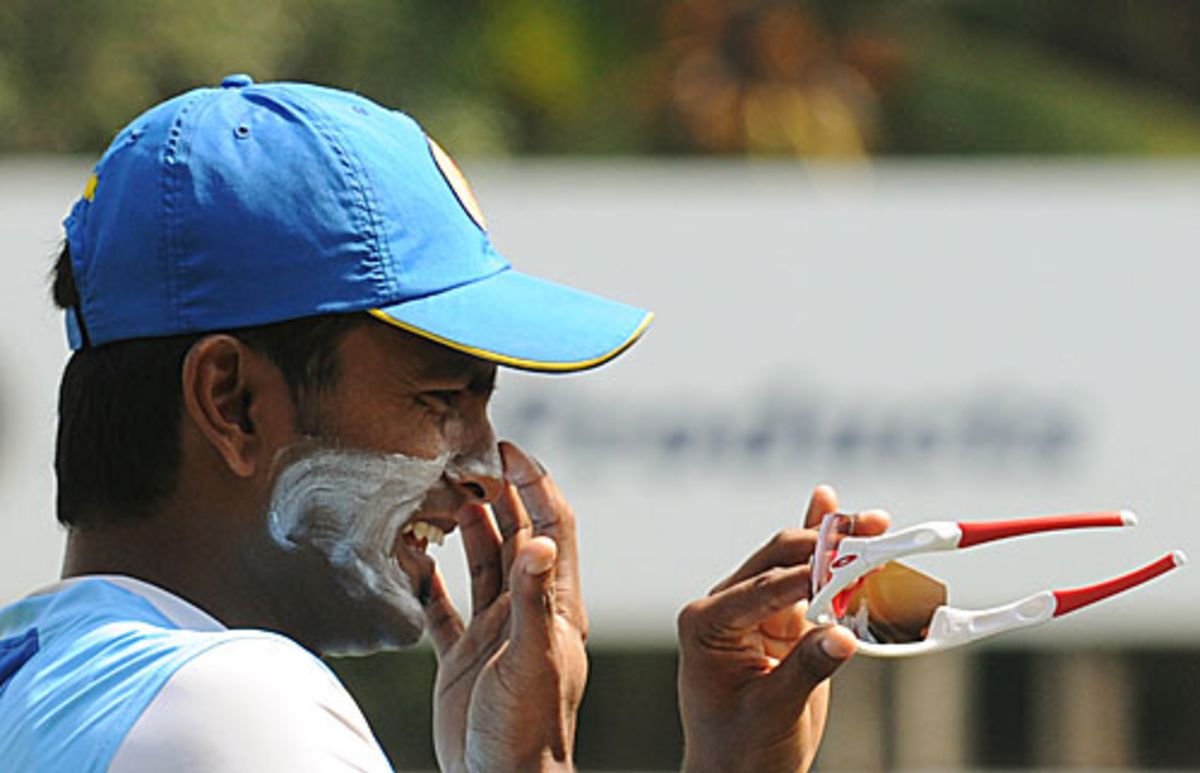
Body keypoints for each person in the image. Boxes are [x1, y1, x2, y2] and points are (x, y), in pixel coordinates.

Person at [0, 75, 873, 772]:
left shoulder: (39, 676)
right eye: (440, 400)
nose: (485, 469)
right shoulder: (228, 705)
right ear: (232, 403)